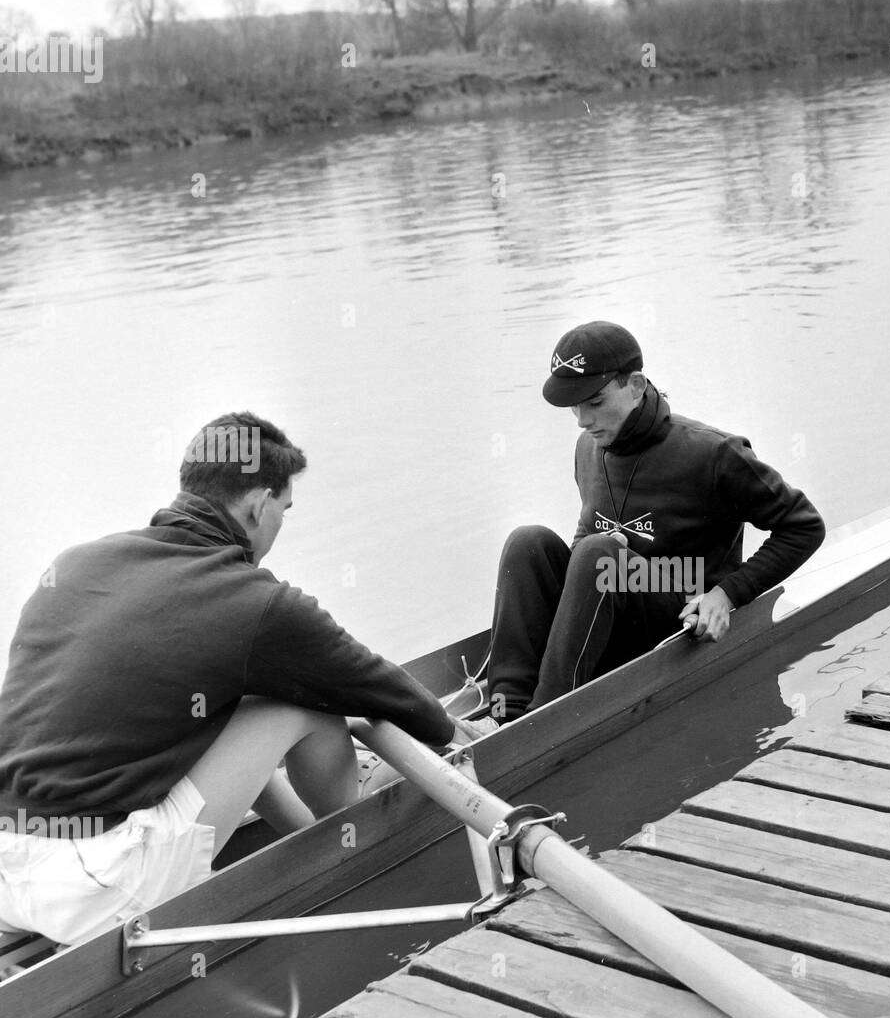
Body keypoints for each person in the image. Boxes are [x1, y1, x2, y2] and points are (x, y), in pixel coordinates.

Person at [0, 412, 455, 948]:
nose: (281, 523)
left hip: (8, 873)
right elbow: (381, 688)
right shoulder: (255, 602)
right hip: (97, 889)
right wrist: (448, 732)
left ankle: (310, 838)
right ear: (260, 504)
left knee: (215, 699)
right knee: (302, 701)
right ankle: (352, 848)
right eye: (285, 509)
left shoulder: (76, 562)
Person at [487, 321, 826, 723]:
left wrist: (728, 593)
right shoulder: (589, 447)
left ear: (635, 384)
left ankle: (544, 719)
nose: (582, 419)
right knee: (528, 543)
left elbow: (804, 525)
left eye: (594, 402)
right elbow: (585, 539)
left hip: (681, 611)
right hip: (609, 603)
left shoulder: (714, 453)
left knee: (601, 554)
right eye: (574, 407)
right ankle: (504, 711)